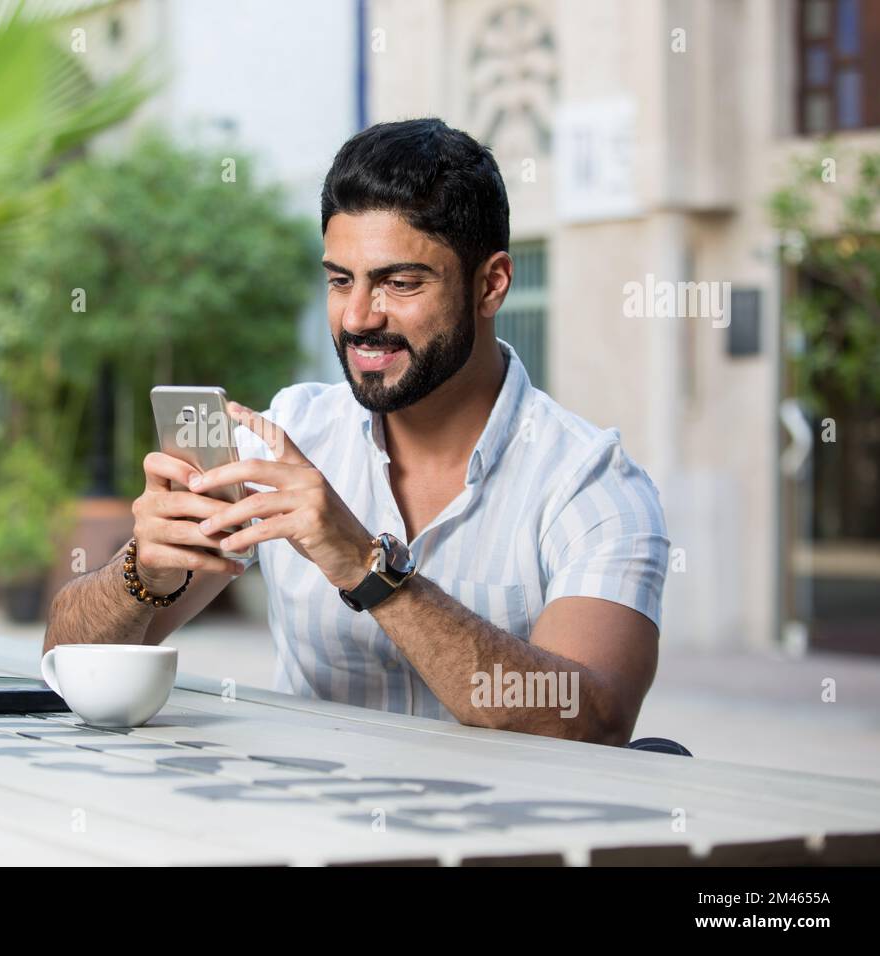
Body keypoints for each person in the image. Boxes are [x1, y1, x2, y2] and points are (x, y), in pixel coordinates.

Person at [44, 118, 669, 745]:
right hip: (309, 830)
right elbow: (65, 665)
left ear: (491, 284)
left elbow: (592, 721)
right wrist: (144, 573)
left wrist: (371, 570)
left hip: (499, 837)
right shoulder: (289, 435)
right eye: (341, 280)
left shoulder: (591, 482)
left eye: (400, 283)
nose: (359, 317)